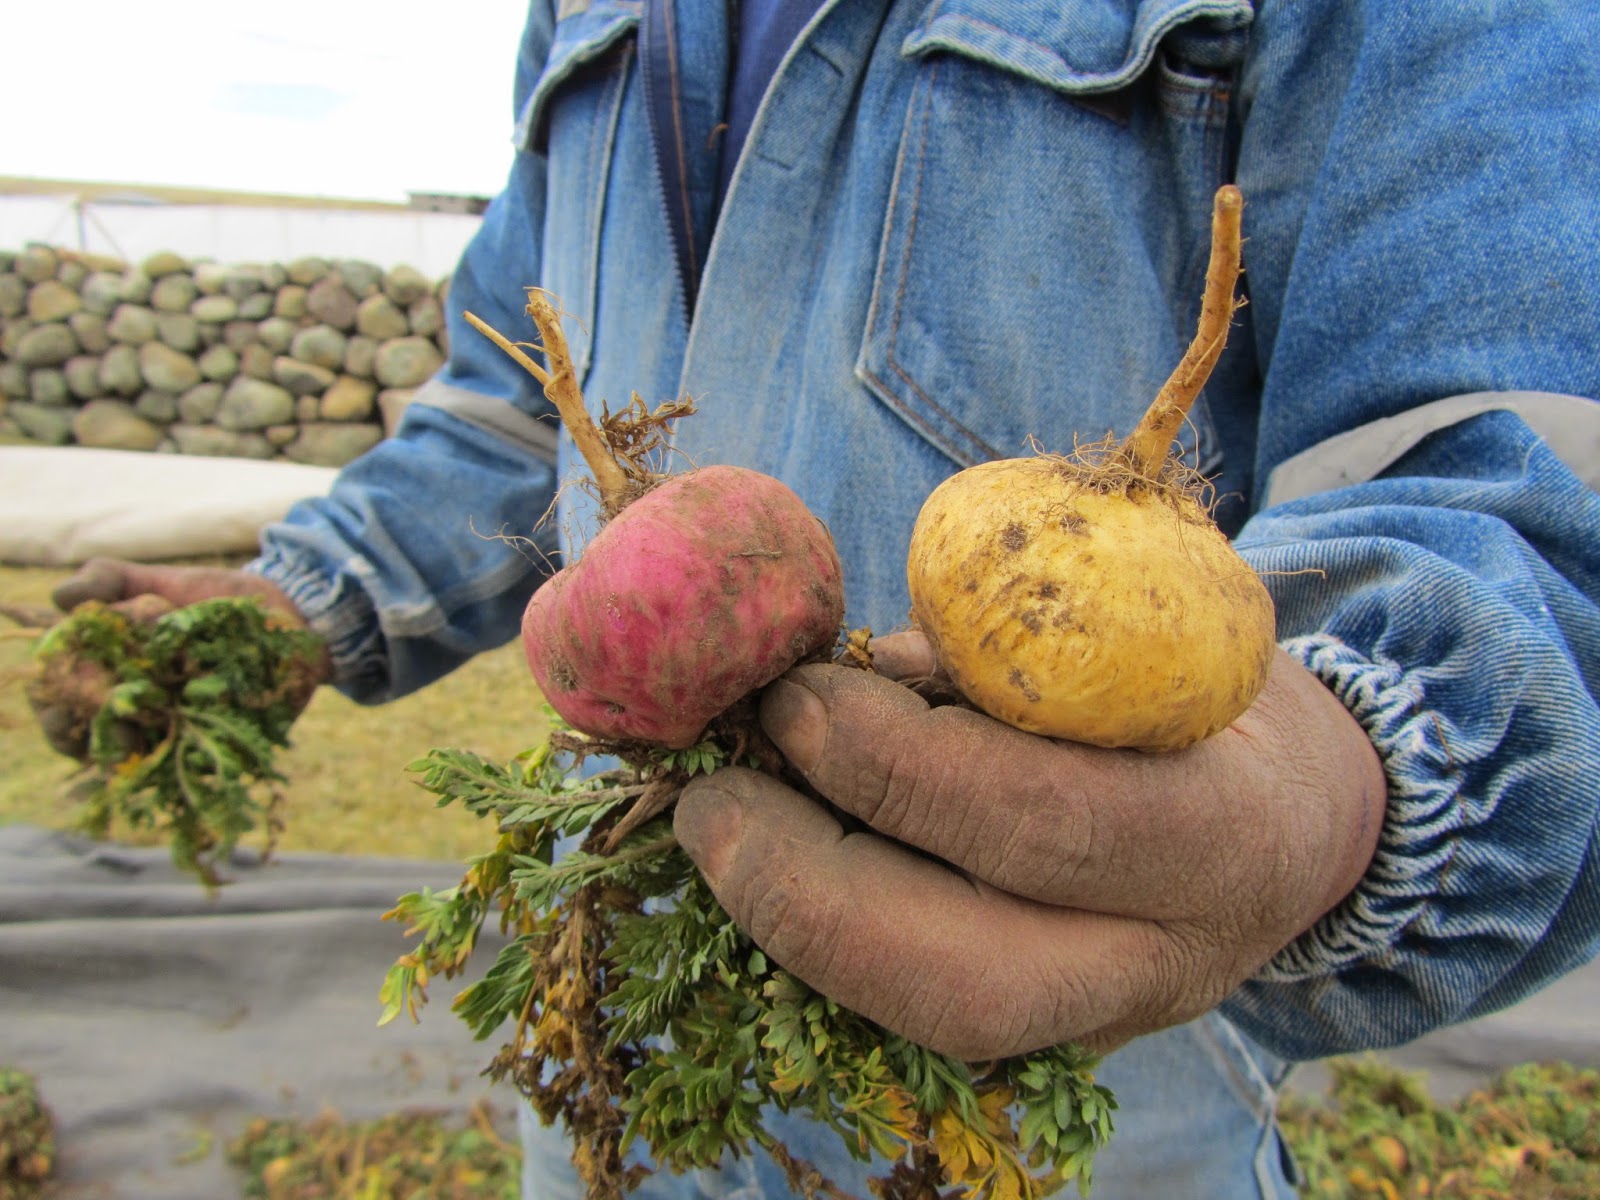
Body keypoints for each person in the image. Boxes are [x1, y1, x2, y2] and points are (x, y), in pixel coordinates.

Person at [52, 1, 1600, 1196]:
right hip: (612, 1053)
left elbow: (1523, 459)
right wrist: (299, 602)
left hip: (1075, 1098)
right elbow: (516, 407)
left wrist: (1343, 780)